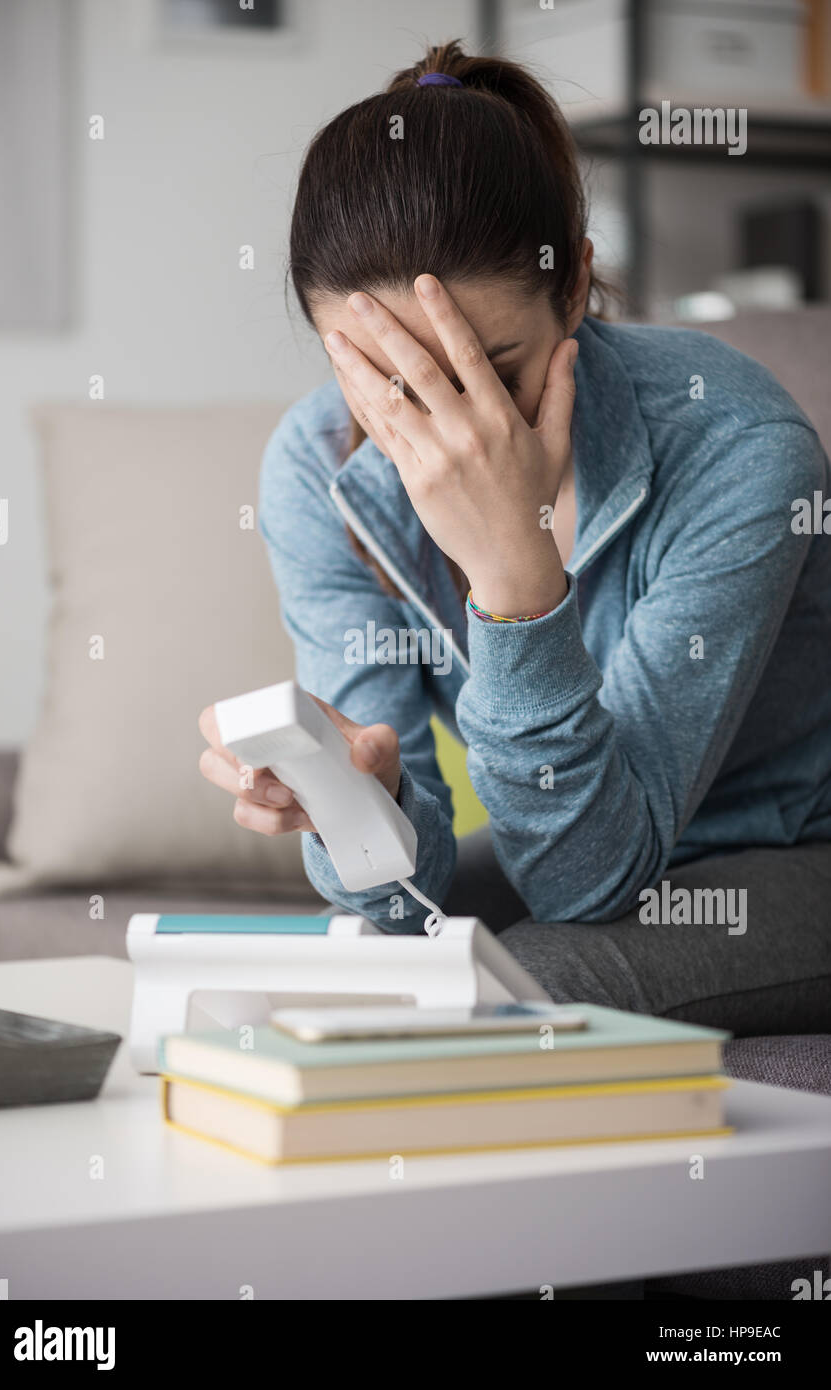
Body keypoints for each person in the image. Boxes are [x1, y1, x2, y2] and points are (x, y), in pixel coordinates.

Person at [198, 42, 831, 1035]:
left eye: (493, 364)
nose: (457, 432)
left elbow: (588, 878)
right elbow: (400, 904)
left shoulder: (739, 446)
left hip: (789, 857)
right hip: (580, 834)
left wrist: (512, 573)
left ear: (574, 287)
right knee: (356, 979)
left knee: (508, 990)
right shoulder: (319, 469)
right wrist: (361, 799)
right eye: (389, 378)